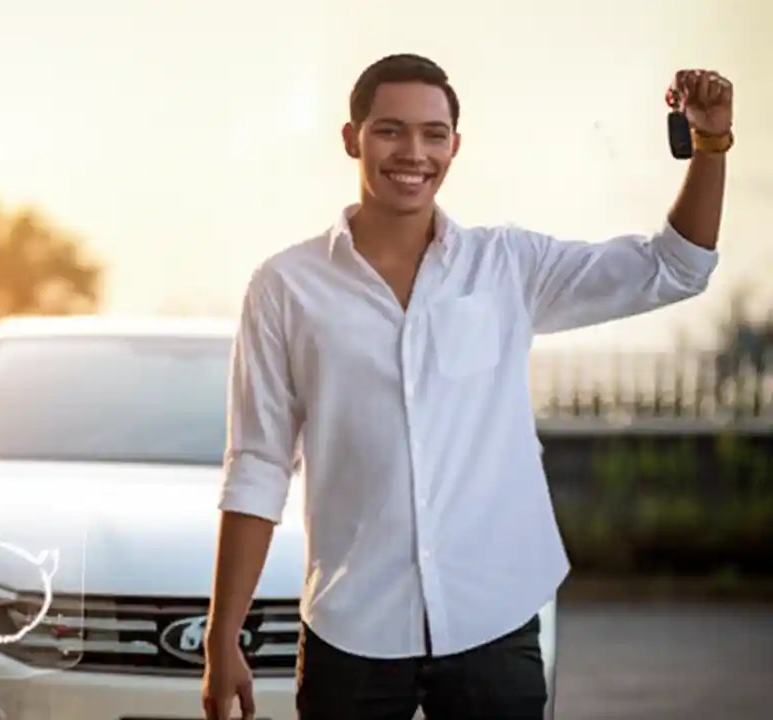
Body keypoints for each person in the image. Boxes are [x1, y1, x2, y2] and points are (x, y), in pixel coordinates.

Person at [201, 53, 733, 720]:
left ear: (455, 145)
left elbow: (674, 268)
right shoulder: (285, 287)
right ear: (351, 139)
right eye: (390, 130)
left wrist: (709, 146)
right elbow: (256, 465)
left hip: (494, 618)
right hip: (352, 628)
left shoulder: (507, 265)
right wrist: (225, 634)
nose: (413, 153)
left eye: (432, 134)